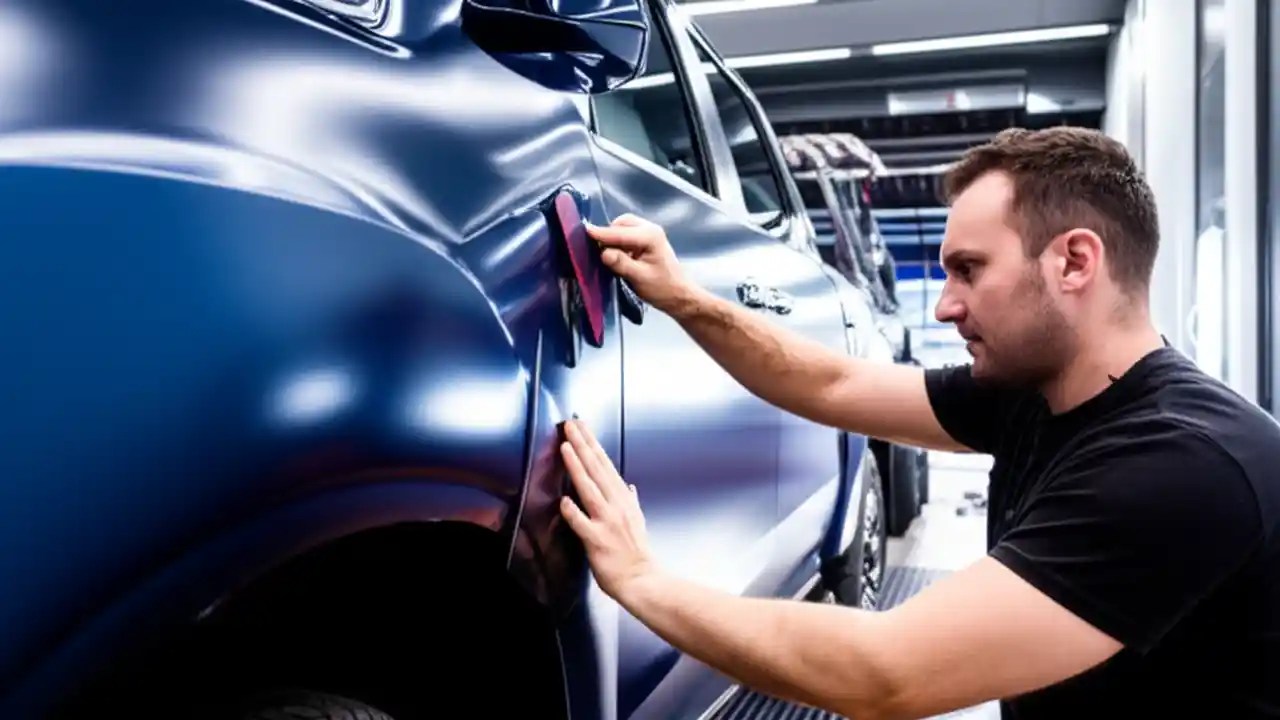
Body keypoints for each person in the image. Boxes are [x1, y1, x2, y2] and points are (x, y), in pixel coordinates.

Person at [555, 126, 1280, 719]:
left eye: (968, 270)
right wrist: (685, 298)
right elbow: (833, 382)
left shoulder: (1183, 464)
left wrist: (643, 581)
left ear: (1075, 262)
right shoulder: (1039, 393)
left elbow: (886, 672)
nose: (943, 307)